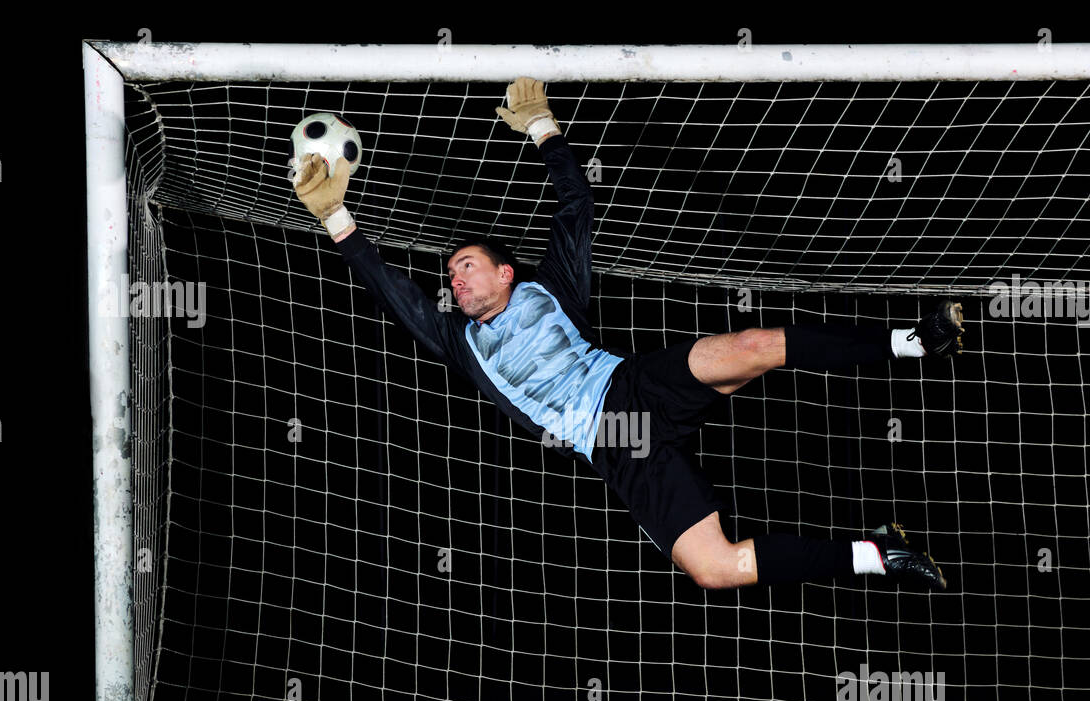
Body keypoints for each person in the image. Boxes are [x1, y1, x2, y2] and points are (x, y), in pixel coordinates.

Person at [293, 77, 963, 592]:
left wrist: (542, 129)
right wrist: (338, 221)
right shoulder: (460, 343)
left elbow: (576, 205)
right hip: (611, 442)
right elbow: (393, 293)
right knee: (715, 568)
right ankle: (878, 553)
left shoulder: (549, 286)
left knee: (756, 345)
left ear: (504, 270)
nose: (456, 282)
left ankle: (911, 341)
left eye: (466, 268)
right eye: (451, 276)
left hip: (632, 379)